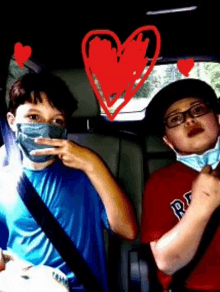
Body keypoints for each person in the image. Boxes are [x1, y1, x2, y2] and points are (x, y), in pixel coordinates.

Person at [0, 72, 138, 292]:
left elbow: (127, 230)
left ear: (64, 130)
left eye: (57, 121)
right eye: (34, 117)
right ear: (12, 122)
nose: (46, 127)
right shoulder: (4, 182)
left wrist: (93, 164)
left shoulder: (85, 174)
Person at [141, 78, 220, 292]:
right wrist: (201, 208)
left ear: (218, 118)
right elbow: (166, 262)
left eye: (197, 109)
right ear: (168, 141)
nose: (188, 120)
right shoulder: (160, 183)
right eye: (175, 119)